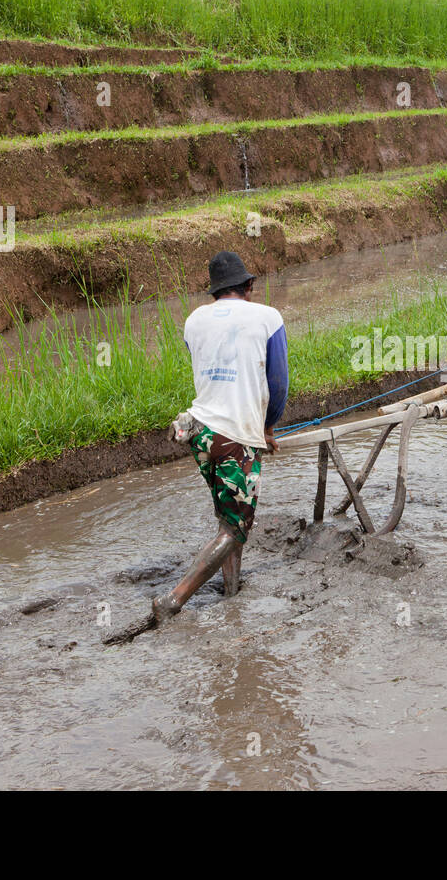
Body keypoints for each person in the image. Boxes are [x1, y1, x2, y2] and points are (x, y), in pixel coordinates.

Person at [153, 252, 288, 624]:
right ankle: (173, 601)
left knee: (227, 516)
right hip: (234, 437)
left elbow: (206, 369)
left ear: (214, 291)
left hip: (198, 431)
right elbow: (278, 384)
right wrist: (267, 428)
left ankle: (232, 593)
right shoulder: (268, 317)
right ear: (248, 286)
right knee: (235, 527)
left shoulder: (194, 320)